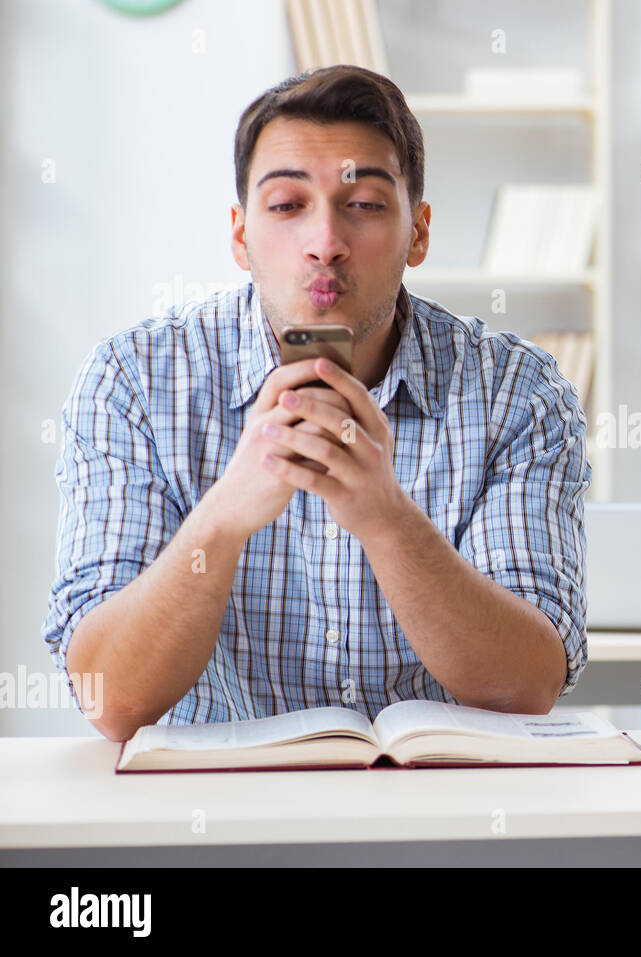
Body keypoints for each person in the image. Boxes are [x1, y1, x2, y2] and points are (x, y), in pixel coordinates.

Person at [42, 65, 591, 741]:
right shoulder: (131, 381)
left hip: (440, 824)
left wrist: (388, 520)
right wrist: (224, 516)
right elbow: (112, 700)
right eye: (287, 205)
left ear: (417, 232)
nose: (325, 241)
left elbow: (526, 688)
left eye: (362, 204)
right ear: (241, 236)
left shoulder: (520, 393)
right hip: (212, 828)